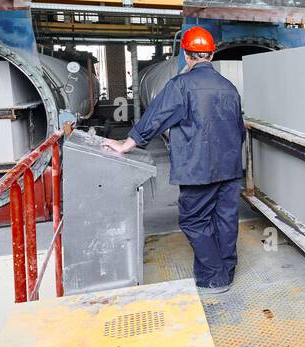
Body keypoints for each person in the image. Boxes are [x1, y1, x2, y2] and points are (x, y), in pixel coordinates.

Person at [102, 26, 244, 293]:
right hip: (230, 167)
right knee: (225, 219)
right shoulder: (229, 87)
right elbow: (239, 129)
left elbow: (156, 117)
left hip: (196, 169)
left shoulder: (180, 85)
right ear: (211, 55)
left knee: (194, 219)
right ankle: (226, 270)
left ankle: (215, 276)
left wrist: (126, 144)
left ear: (188, 55)